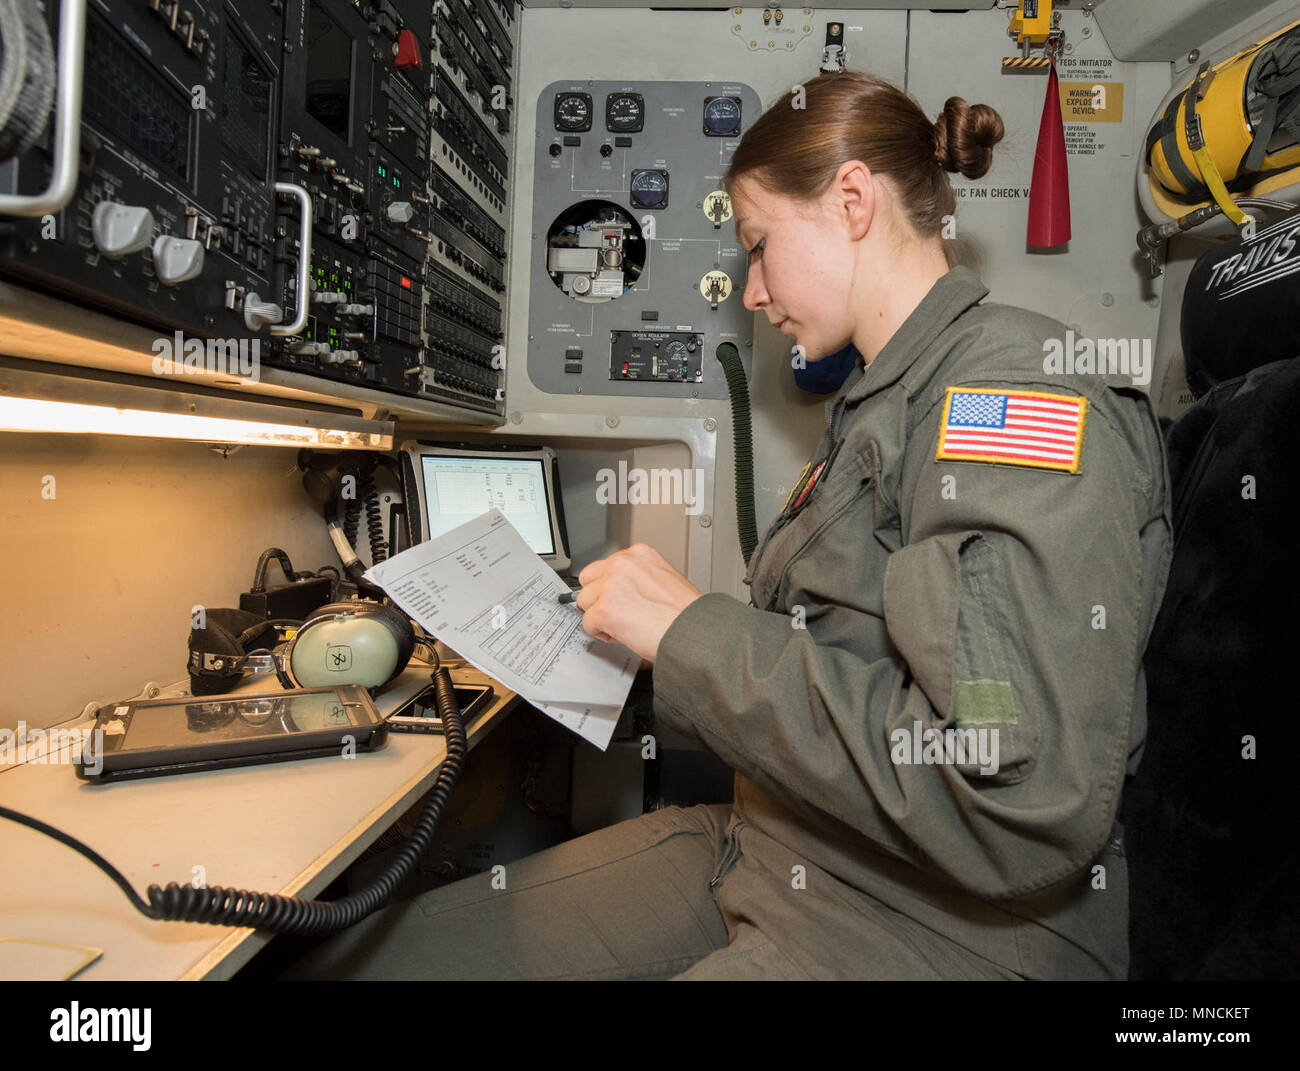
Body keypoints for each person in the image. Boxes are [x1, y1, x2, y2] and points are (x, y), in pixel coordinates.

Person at [281, 71, 1172, 981]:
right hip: (788, 846)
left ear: (852, 200)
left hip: (937, 926)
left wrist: (687, 631)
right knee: (371, 962)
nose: (751, 290)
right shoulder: (884, 402)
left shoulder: (1010, 399)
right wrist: (633, 649)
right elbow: (839, 656)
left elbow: (1007, 781)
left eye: (758, 244)